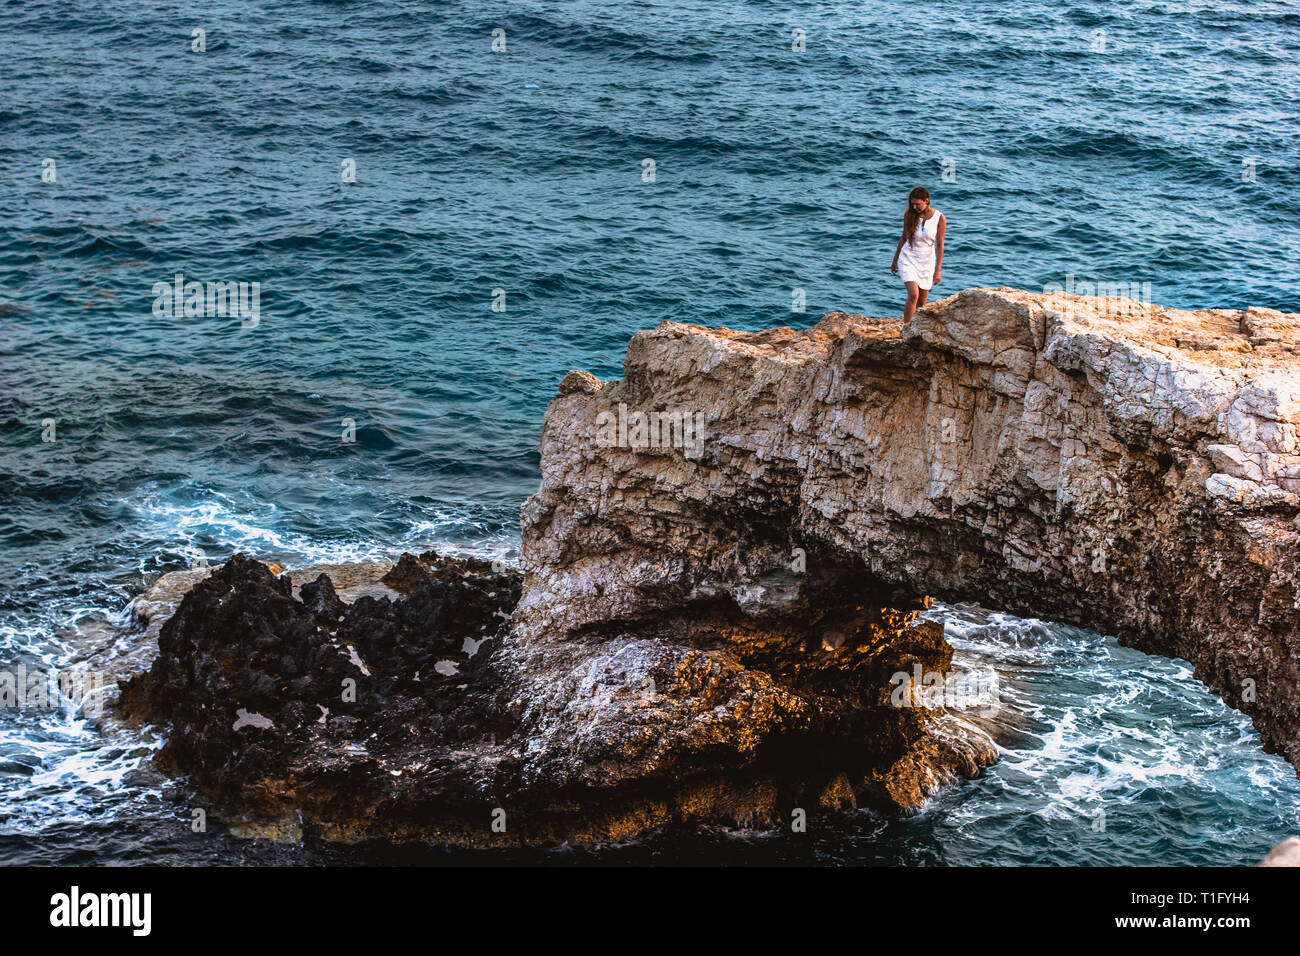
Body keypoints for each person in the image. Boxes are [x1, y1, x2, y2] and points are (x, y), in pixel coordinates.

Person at [890, 187, 945, 322]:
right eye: (912, 204)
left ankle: (918, 329)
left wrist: (938, 270)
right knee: (913, 294)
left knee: (922, 302)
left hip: (926, 262)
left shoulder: (939, 218)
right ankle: (906, 329)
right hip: (908, 258)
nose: (914, 207)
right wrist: (895, 259)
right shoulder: (909, 215)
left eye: (917, 204)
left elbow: (940, 246)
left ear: (927, 201)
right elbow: (903, 238)